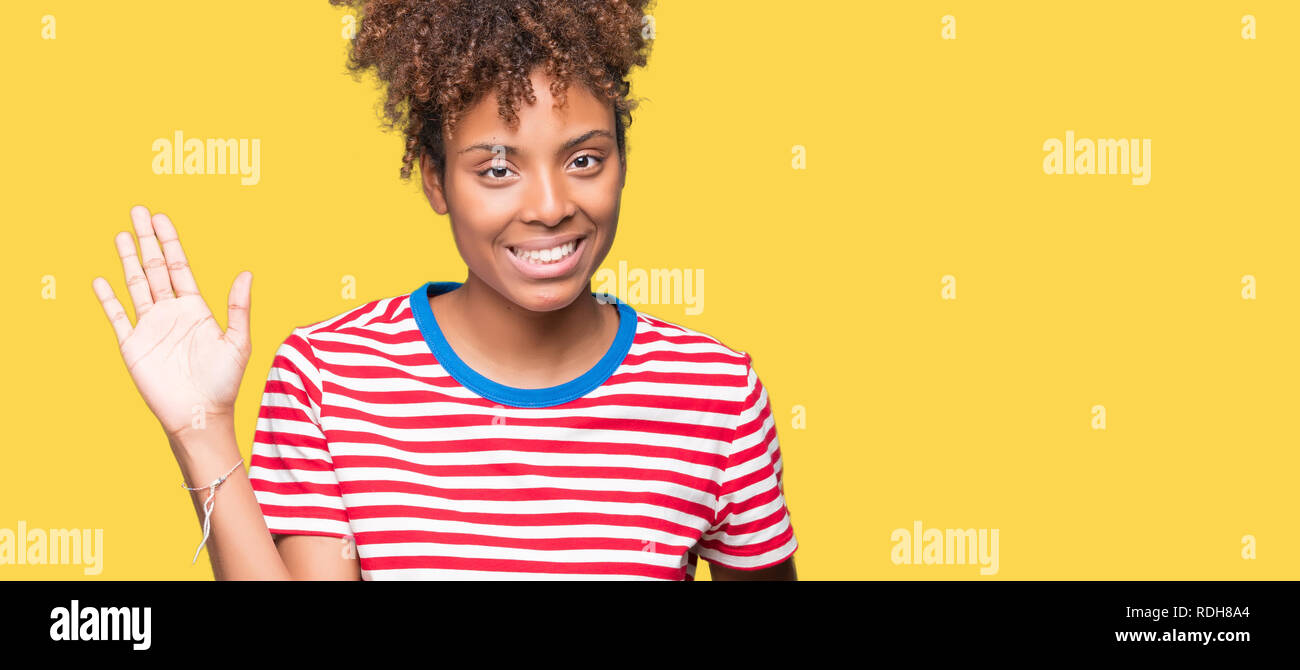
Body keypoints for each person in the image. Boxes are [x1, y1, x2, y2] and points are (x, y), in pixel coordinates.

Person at [92, 0, 796, 580]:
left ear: (622, 160)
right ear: (435, 178)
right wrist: (201, 431)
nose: (550, 204)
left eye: (584, 158)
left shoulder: (714, 392)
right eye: (496, 169)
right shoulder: (329, 378)